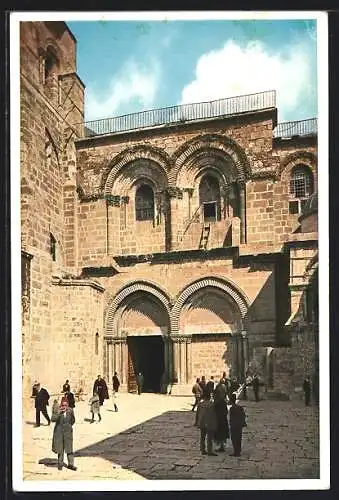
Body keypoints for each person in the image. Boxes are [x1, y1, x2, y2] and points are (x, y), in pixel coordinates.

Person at [51, 396, 77, 471]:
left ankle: (71, 464)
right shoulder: (57, 410)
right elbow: (52, 419)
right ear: (61, 405)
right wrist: (59, 413)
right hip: (59, 432)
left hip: (68, 432)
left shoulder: (70, 410)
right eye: (63, 405)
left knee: (69, 448)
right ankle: (60, 464)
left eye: (66, 405)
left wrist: (68, 426)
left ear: (68, 405)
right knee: (60, 449)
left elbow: (73, 420)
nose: (64, 407)